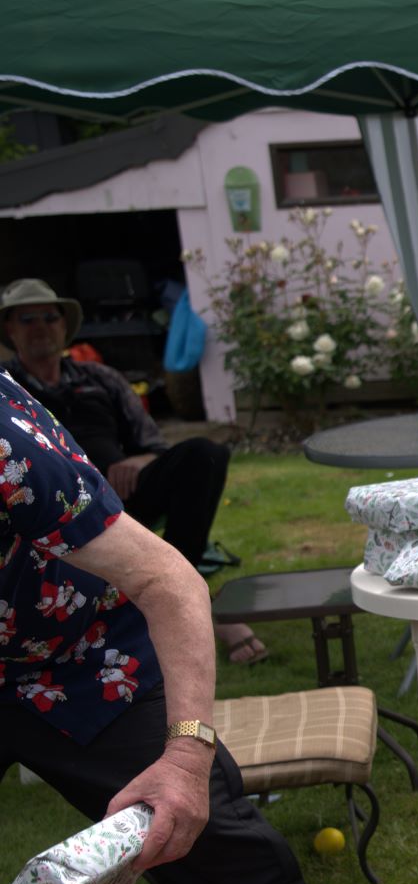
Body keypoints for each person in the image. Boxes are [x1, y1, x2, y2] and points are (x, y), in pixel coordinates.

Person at [0, 364, 418, 884]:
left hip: (83, 656)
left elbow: (171, 580)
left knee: (202, 827)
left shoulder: (11, 450)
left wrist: (186, 756)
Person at [0, 278, 269, 663]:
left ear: (64, 325)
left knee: (203, 454)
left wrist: (136, 462)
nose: (40, 327)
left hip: (118, 495)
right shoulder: (9, 392)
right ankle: (176, 605)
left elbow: (154, 444)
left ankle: (182, 585)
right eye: (27, 319)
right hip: (49, 509)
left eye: (49, 317)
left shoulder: (100, 378)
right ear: (10, 329)